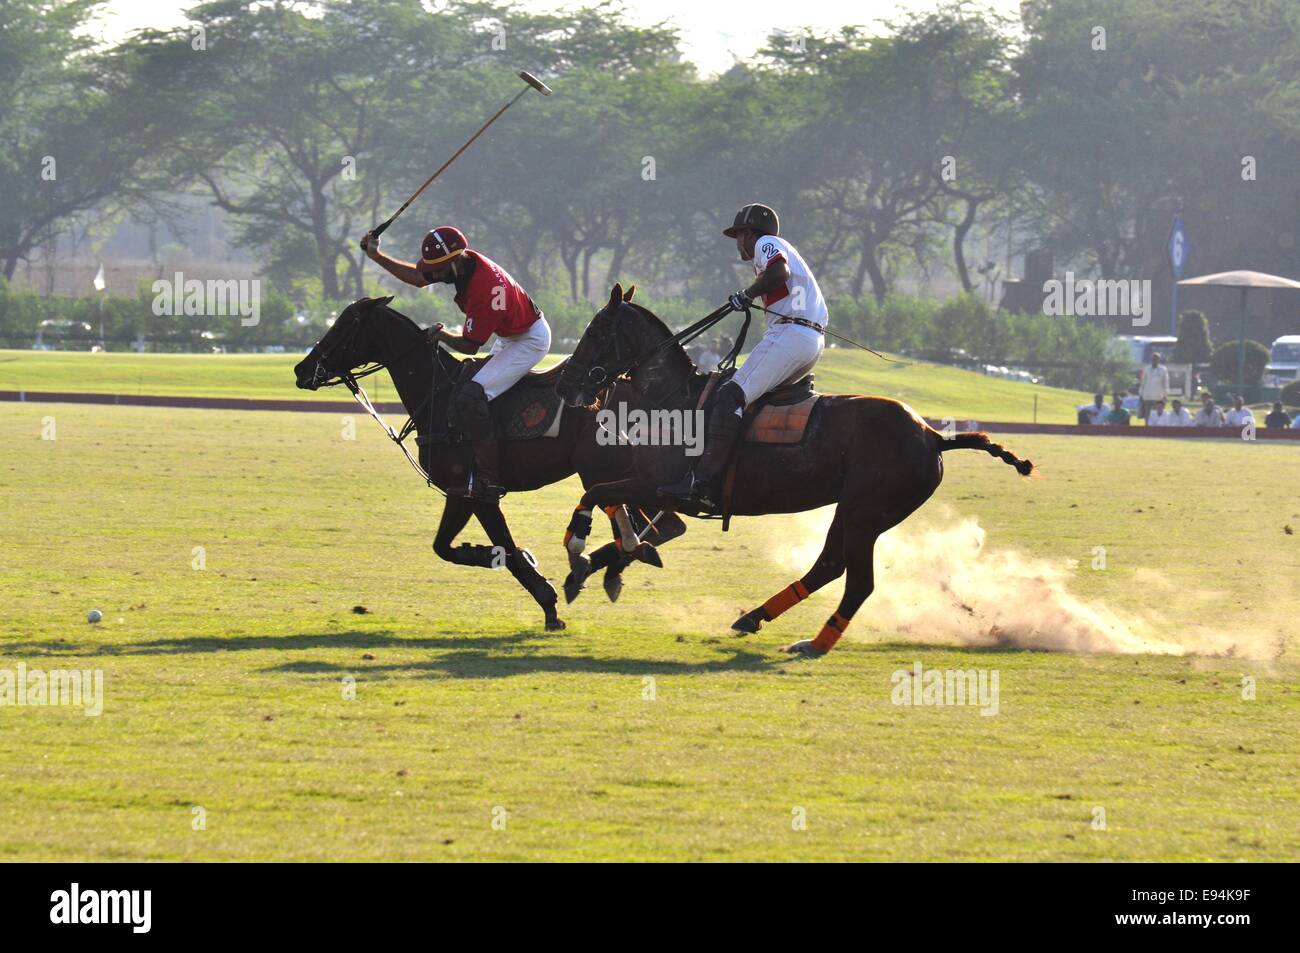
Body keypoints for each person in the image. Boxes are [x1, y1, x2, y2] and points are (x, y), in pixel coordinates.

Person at [360, 225, 549, 500]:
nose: (433, 274)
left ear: (456, 262)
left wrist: (441, 335)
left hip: (529, 340)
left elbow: (470, 346)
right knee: (466, 385)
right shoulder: (461, 263)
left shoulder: (487, 290)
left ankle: (488, 478)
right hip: (510, 335)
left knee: (473, 394)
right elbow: (417, 277)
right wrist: (376, 255)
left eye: (438, 269)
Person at [659, 203, 827, 509]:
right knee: (750, 400)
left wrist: (746, 295)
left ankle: (704, 485)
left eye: (739, 236)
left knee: (729, 396)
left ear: (750, 233)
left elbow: (779, 272)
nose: (738, 243)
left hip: (790, 335)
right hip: (809, 339)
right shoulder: (781, 247)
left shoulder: (767, 243)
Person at [1138, 352, 1170, 421]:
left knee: (1157, 415)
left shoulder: (1163, 369)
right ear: (1151, 359)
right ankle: (1147, 430)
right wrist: (1141, 394)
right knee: (1147, 415)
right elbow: (1143, 382)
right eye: (1153, 359)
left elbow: (1166, 383)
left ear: (1159, 360)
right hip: (1147, 396)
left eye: (1156, 359)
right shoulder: (1146, 369)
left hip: (1158, 397)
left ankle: (1157, 430)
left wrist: (1165, 395)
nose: (1154, 360)